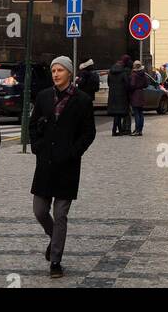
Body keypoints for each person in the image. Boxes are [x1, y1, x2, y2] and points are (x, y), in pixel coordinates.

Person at [30, 56, 96, 279]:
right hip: (45, 163)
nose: (56, 74)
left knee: (60, 214)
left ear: (69, 73)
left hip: (67, 165)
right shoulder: (43, 97)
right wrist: (37, 146)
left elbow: (89, 132)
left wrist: (73, 152)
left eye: (60, 70)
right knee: (39, 210)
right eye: (53, 71)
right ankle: (54, 238)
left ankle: (56, 260)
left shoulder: (83, 100)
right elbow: (33, 124)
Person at [106, 54, 131, 136]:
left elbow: (108, 83)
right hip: (122, 95)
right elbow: (127, 84)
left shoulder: (111, 71)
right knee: (119, 113)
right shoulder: (123, 72)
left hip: (113, 94)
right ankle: (114, 130)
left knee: (117, 113)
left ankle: (118, 130)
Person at [128, 61, 146, 137]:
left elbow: (132, 85)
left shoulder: (134, 75)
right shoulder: (143, 74)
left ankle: (137, 130)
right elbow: (146, 84)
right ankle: (140, 130)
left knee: (136, 113)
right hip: (141, 93)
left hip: (135, 94)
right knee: (141, 113)